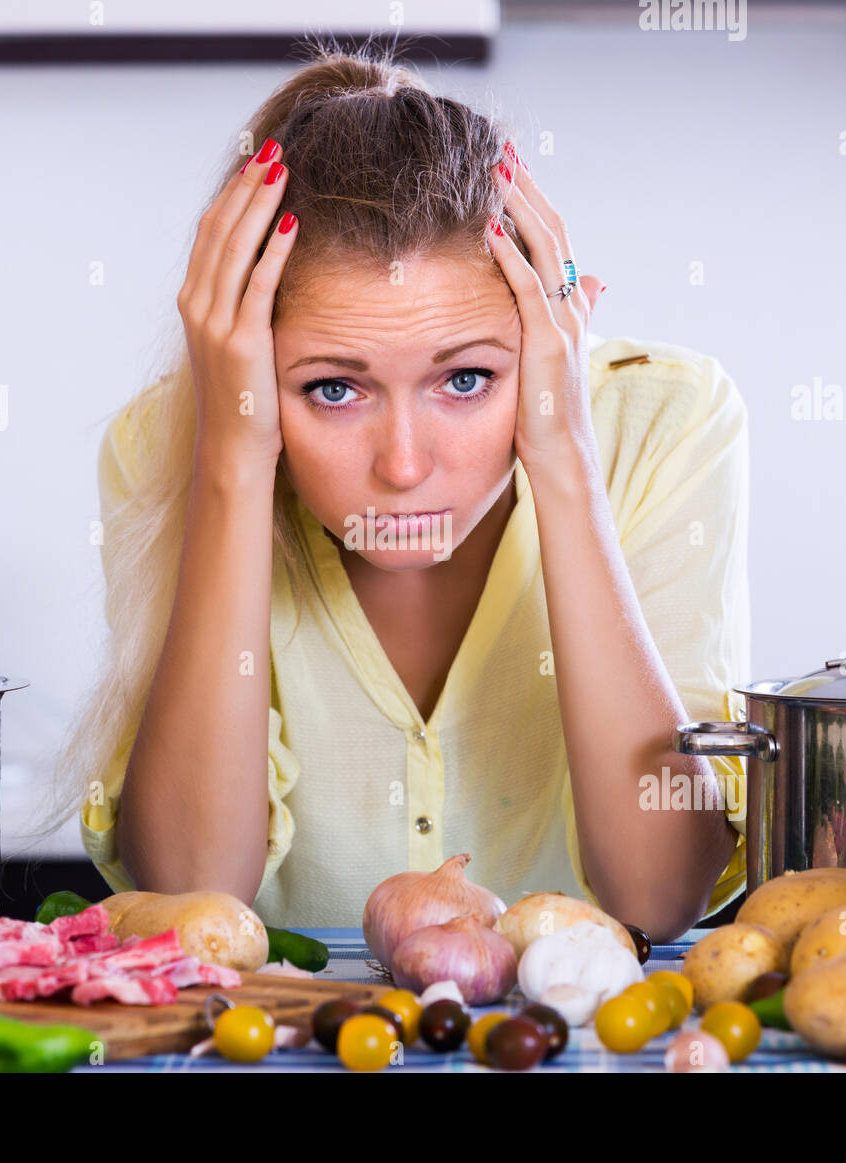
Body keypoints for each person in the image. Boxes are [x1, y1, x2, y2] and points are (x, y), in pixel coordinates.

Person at [55, 39, 750, 944]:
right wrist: (230, 461)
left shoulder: (666, 422)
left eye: (465, 380)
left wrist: (566, 457)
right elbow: (195, 899)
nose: (405, 465)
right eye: (333, 389)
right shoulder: (168, 444)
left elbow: (658, 899)